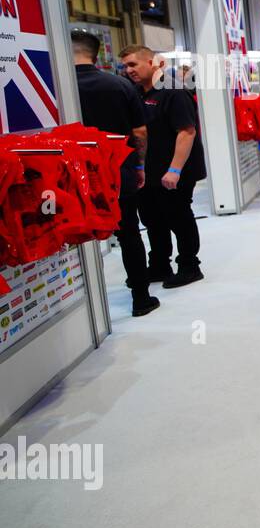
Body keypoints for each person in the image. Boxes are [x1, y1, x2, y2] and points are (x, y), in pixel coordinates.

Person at [72, 31, 159, 316]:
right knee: (129, 233)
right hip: (116, 172)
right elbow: (139, 131)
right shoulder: (120, 86)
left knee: (73, 234)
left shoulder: (56, 86)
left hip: (70, 175)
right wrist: (138, 165)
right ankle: (141, 297)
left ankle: (83, 314)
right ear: (97, 55)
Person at [119, 44, 206, 288]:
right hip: (148, 170)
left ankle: (189, 265)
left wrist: (175, 170)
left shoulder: (173, 91)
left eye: (133, 64)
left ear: (152, 63)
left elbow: (187, 132)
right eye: (125, 66)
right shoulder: (136, 92)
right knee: (152, 218)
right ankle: (159, 265)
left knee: (178, 217)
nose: (129, 70)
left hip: (174, 170)